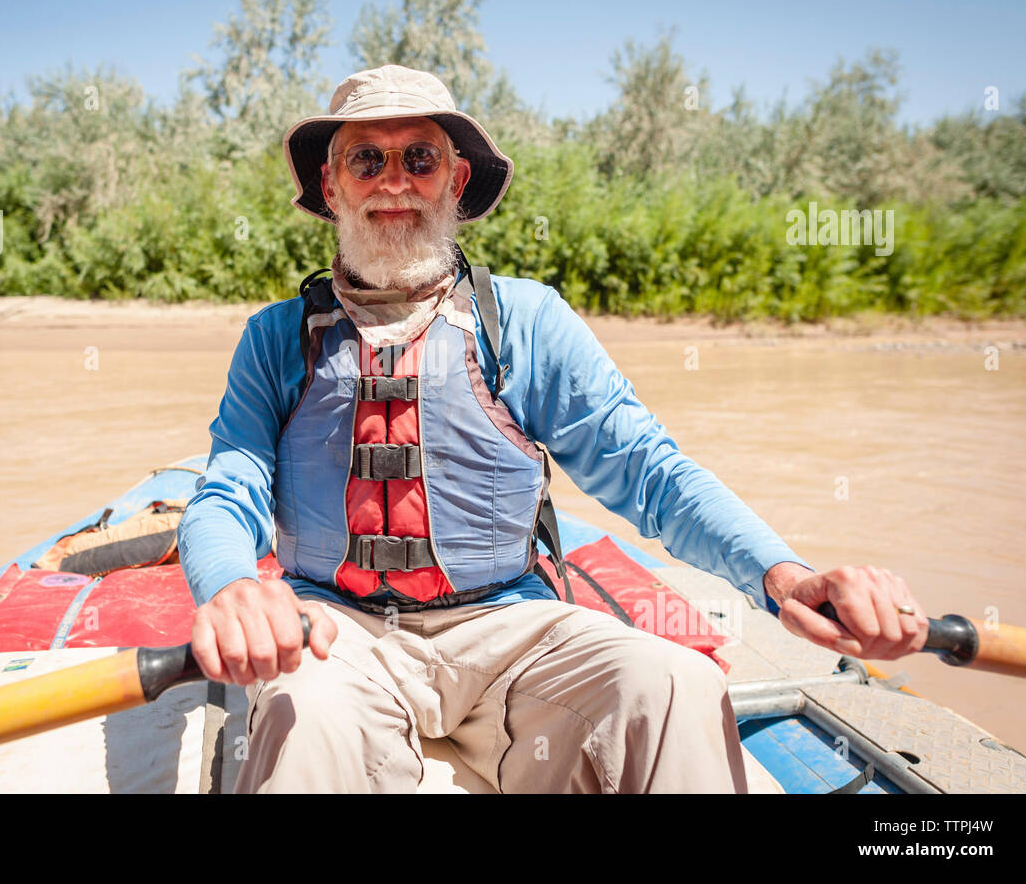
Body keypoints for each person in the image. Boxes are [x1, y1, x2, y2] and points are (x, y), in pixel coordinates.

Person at [175, 64, 931, 793]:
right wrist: (234, 584)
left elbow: (652, 475)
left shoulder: (528, 323)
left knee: (676, 682)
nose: (394, 181)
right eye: (366, 159)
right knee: (303, 714)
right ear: (332, 186)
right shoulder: (277, 339)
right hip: (334, 630)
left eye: (420, 158)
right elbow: (226, 493)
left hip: (508, 625)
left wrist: (784, 575)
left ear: (456, 181)